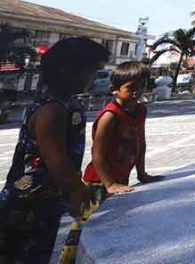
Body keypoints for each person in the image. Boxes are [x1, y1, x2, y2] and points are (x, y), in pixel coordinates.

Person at [0, 37, 109, 263]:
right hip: (29, 201)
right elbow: (53, 156)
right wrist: (77, 188)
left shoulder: (65, 105)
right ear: (67, 71)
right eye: (91, 71)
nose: (93, 77)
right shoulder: (52, 110)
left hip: (46, 200)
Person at [83, 61, 164, 194]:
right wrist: (109, 184)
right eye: (131, 88)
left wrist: (142, 174)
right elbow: (97, 153)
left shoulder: (140, 110)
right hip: (99, 181)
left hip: (120, 179)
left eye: (142, 86)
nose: (137, 92)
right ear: (114, 89)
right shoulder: (110, 116)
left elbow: (140, 143)